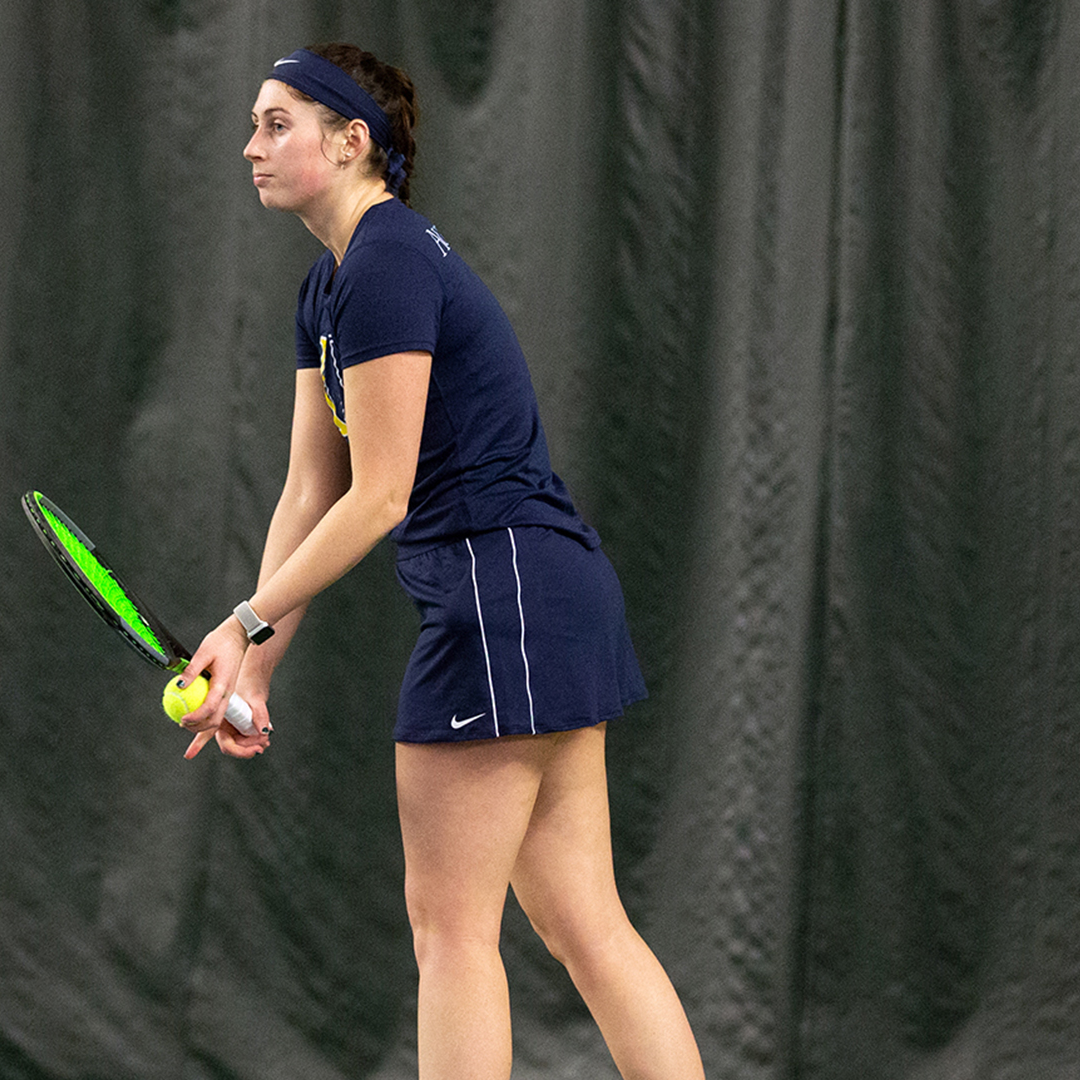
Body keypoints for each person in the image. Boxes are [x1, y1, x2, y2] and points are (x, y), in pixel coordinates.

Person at [173, 42, 705, 1080]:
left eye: (277, 124)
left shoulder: (388, 262)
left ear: (351, 141)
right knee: (583, 925)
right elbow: (309, 491)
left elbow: (380, 498)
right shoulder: (328, 290)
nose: (250, 147)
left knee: (450, 933)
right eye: (251, 125)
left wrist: (238, 624)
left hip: (499, 593)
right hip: (549, 593)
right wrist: (260, 660)